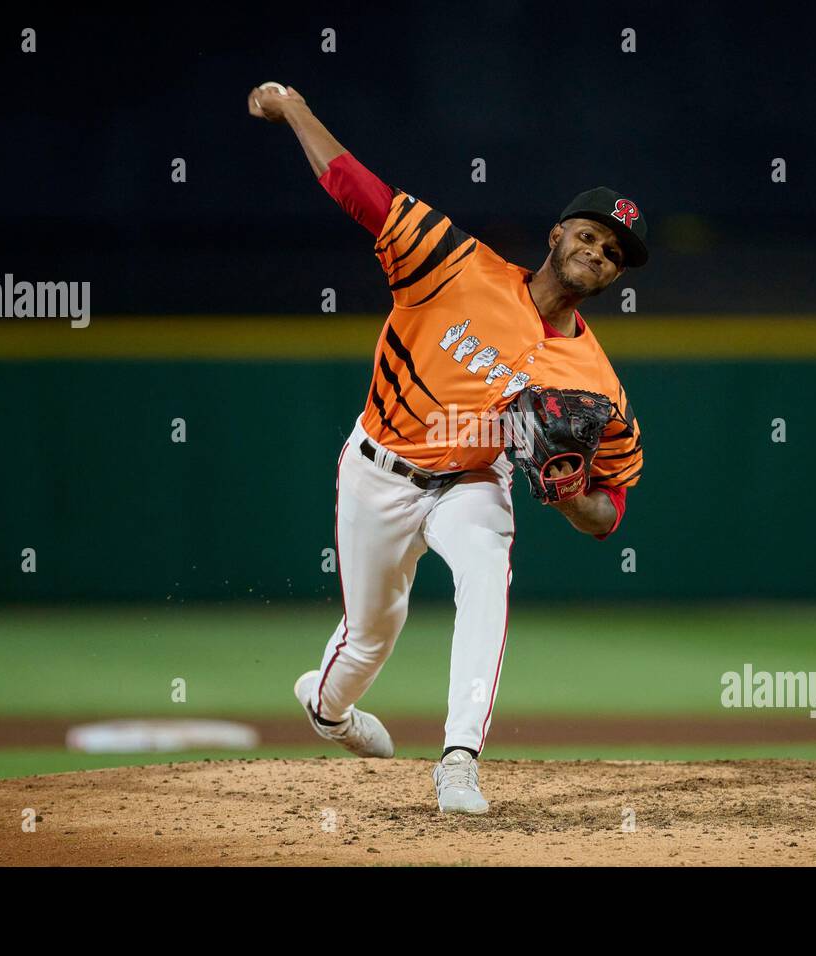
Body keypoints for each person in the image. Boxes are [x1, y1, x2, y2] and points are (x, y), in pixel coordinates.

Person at [249, 82, 647, 813]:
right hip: (379, 472)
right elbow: (360, 192)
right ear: (557, 235)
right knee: (370, 639)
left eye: (614, 251)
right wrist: (295, 107)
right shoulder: (458, 265)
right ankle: (328, 711)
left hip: (473, 483)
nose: (599, 250)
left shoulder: (599, 387)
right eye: (589, 233)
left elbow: (609, 511)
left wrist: (567, 495)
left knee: (487, 577)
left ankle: (459, 758)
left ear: (616, 275)